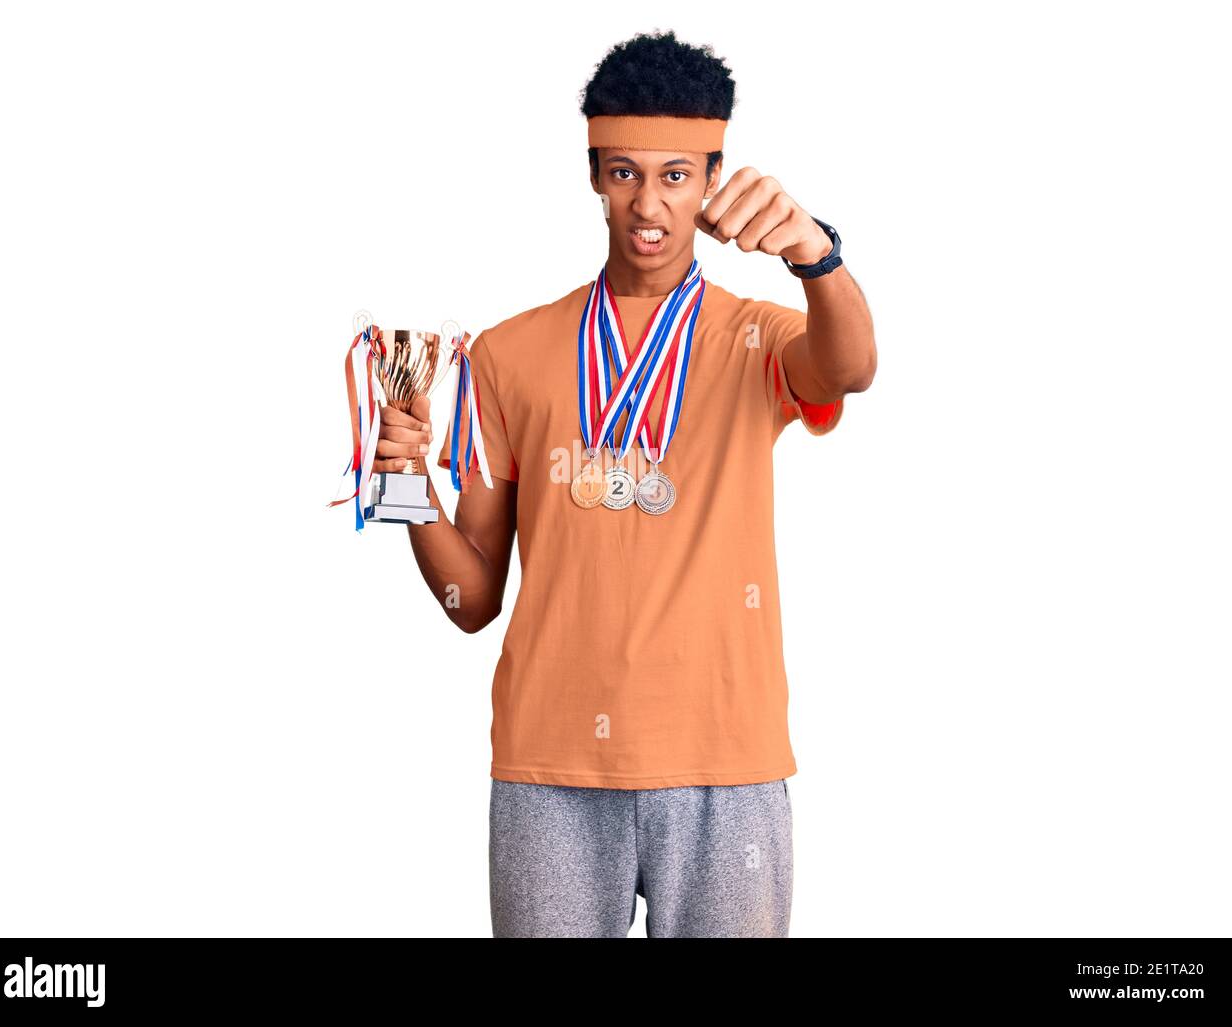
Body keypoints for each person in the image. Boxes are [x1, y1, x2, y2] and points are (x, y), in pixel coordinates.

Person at [374, 30, 876, 937]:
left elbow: (850, 366)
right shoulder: (506, 354)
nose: (649, 204)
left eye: (678, 175)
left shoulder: (758, 336)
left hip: (727, 758)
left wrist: (818, 255)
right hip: (549, 769)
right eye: (623, 172)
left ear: (713, 178)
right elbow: (472, 598)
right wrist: (408, 488)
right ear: (594, 175)